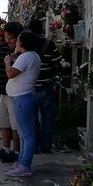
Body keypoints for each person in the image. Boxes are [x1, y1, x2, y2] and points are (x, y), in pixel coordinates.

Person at [3, 29, 41, 178]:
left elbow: (10, 74)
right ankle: (21, 162)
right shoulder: (32, 56)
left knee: (27, 135)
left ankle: (25, 164)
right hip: (23, 98)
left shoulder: (26, 57)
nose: (16, 42)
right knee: (24, 134)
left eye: (18, 39)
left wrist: (7, 63)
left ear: (22, 43)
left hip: (22, 98)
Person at [0, 22, 23, 162]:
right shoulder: (2, 49)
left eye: (11, 38)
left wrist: (8, 62)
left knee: (15, 125)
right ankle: (5, 149)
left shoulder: (22, 53)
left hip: (15, 94)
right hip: (2, 91)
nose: (8, 41)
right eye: (6, 37)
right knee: (3, 122)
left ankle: (16, 151)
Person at [28, 18, 62, 154]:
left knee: (32, 117)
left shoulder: (27, 44)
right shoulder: (49, 44)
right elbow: (57, 63)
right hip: (46, 85)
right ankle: (46, 145)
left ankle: (34, 145)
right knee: (47, 116)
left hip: (30, 86)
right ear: (42, 29)